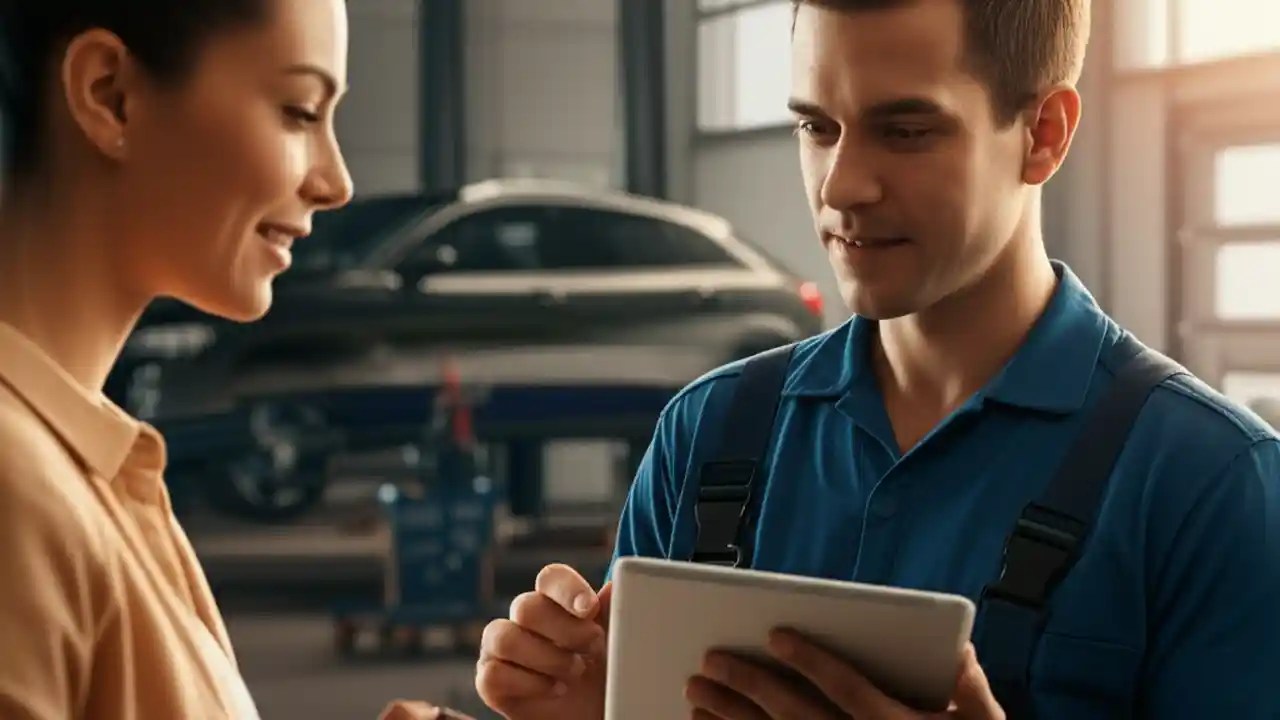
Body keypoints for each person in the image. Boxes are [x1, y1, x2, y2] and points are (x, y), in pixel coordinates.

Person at [475, 0, 1280, 718]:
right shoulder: (707, 436)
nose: (842, 186)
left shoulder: (1211, 485)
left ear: (1044, 134)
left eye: (905, 131)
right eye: (817, 126)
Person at [0, 1, 470, 718]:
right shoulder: (17, 493)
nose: (336, 181)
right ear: (110, 95)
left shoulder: (97, 470)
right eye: (299, 111)